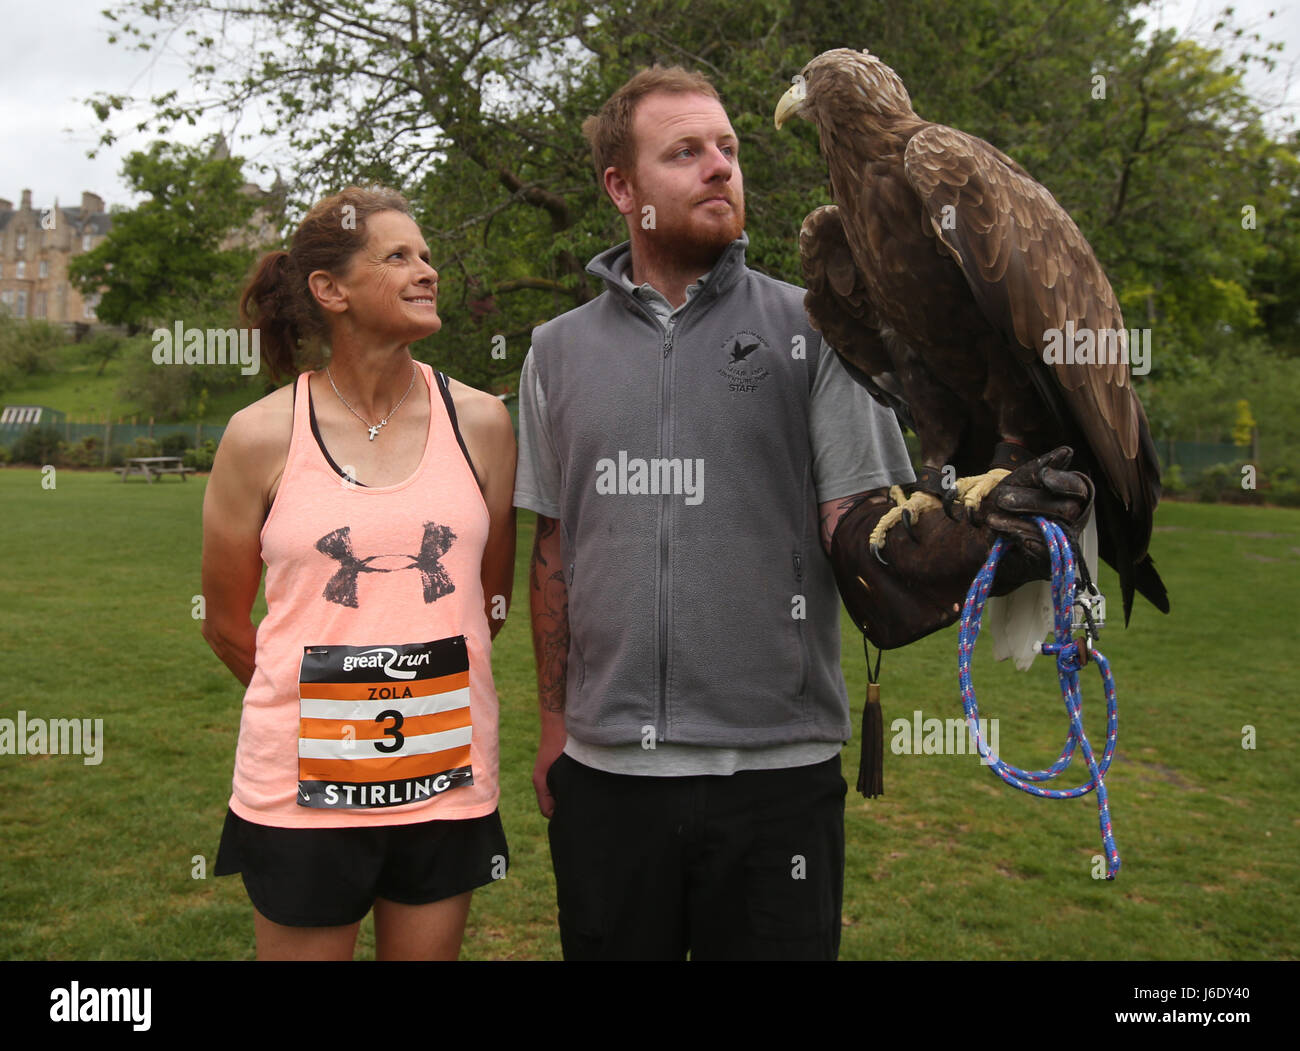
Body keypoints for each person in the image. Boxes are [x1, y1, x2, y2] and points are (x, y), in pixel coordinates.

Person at [513, 67, 916, 960]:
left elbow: (871, 527)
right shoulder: (553, 352)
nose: (719, 168)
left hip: (777, 777)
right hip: (607, 776)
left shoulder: (817, 322)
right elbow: (554, 551)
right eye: (685, 152)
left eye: (728, 149)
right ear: (621, 187)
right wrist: (553, 726)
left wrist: (971, 541)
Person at [200, 186, 517, 961]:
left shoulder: (481, 421)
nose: (427, 271)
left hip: (444, 779)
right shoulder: (258, 436)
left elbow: (491, 601)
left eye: (429, 256)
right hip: (302, 792)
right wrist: (321, 707)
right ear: (329, 290)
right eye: (399, 256)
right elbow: (225, 620)